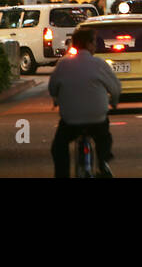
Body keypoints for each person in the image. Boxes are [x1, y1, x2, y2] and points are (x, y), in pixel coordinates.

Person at [49, 25, 120, 177]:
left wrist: (57, 100)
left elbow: (52, 88)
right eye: (94, 42)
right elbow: (115, 87)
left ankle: (62, 174)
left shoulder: (63, 65)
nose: (95, 46)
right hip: (97, 118)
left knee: (59, 147)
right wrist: (114, 102)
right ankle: (103, 163)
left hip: (70, 120)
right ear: (88, 44)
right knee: (104, 138)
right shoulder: (99, 64)